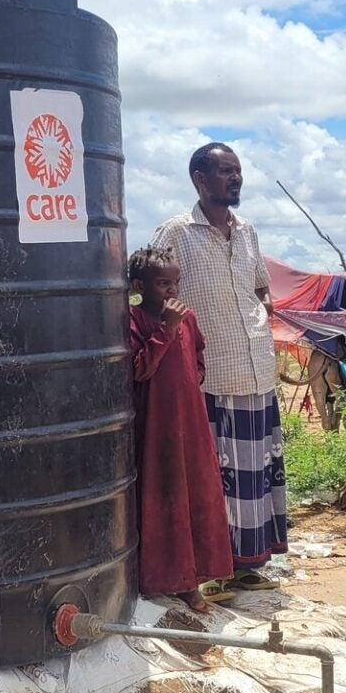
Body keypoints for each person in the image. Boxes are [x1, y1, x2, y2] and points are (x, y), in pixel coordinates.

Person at [153, 143, 287, 586]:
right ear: (199, 179)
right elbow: (149, 288)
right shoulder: (175, 233)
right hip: (214, 376)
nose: (236, 179)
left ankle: (250, 562)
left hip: (258, 370)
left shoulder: (247, 230)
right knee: (221, 476)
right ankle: (216, 564)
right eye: (226, 171)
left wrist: (262, 309)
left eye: (238, 171)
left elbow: (261, 286)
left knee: (259, 474)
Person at [128, 246, 234, 612]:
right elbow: (139, 370)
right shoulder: (134, 320)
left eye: (175, 282)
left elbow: (198, 359)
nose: (171, 291)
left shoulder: (188, 320)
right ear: (140, 285)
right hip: (156, 424)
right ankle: (162, 579)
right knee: (162, 496)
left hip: (189, 422)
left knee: (195, 495)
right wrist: (166, 329)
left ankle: (192, 579)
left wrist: (191, 384)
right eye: (162, 284)